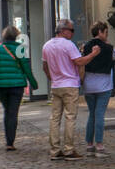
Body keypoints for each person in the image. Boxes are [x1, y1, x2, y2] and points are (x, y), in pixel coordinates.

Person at [40, 19, 98, 161]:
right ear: (63, 30)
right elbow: (79, 62)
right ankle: (68, 150)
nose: (73, 33)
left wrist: (52, 78)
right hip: (70, 84)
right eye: (71, 30)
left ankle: (54, 150)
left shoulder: (47, 45)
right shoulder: (68, 45)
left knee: (55, 118)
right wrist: (93, 54)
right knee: (70, 117)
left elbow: (44, 66)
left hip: (56, 85)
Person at [0, 25, 38, 150]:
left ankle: (8, 140)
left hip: (1, 86)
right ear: (16, 36)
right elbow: (26, 67)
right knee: (13, 113)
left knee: (7, 111)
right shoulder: (19, 49)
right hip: (17, 86)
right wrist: (34, 83)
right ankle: (10, 142)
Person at [81, 21, 115, 158]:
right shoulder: (108, 48)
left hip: (89, 86)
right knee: (100, 115)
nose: (107, 34)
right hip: (104, 86)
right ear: (100, 32)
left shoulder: (86, 46)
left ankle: (89, 144)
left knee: (92, 114)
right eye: (106, 32)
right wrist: (107, 42)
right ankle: (100, 144)